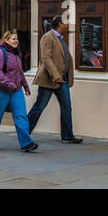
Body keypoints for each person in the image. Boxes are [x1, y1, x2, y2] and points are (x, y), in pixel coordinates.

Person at [28, 15, 83, 143]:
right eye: (65, 23)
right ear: (59, 24)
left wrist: (63, 76)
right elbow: (46, 58)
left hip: (62, 80)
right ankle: (24, 132)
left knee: (66, 107)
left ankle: (67, 136)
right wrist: (56, 76)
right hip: (49, 80)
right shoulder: (48, 37)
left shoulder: (61, 39)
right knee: (39, 106)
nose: (67, 25)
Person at [0, 29, 37, 153]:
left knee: (21, 116)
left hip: (15, 90)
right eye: (13, 39)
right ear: (6, 40)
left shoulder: (17, 54)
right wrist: (8, 83)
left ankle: (26, 143)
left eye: (17, 39)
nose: (16, 41)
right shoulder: (1, 52)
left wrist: (26, 86)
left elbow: (20, 72)